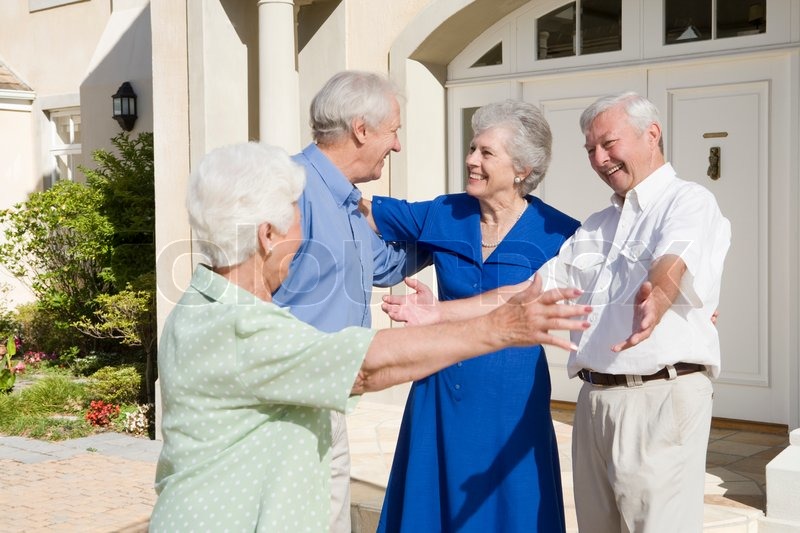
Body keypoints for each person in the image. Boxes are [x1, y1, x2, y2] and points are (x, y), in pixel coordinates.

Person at [149, 141, 591, 532]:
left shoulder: (206, 309)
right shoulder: (236, 327)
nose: (304, 241)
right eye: (298, 222)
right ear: (268, 236)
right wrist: (499, 326)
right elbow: (367, 365)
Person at [381, 92, 731, 532]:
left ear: (652, 135)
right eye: (590, 149)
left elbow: (673, 260)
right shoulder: (598, 227)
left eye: (608, 143)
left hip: (659, 395)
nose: (600, 158)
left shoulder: (688, 201)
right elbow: (527, 290)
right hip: (596, 399)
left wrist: (657, 296)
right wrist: (441, 316)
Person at [366, 100, 580, 532]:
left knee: (509, 507)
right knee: (433, 505)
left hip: (512, 396)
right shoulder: (446, 211)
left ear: (522, 168)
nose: (471, 160)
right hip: (441, 386)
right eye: (471, 149)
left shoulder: (560, 232)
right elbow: (366, 210)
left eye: (486, 153)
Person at [271, 70, 426, 532]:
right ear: (361, 130)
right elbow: (253, 297)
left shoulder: (347, 201)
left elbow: (382, 266)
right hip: (287, 407)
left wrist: (449, 236)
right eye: (393, 131)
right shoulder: (290, 189)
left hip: (327, 399)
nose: (396, 146)